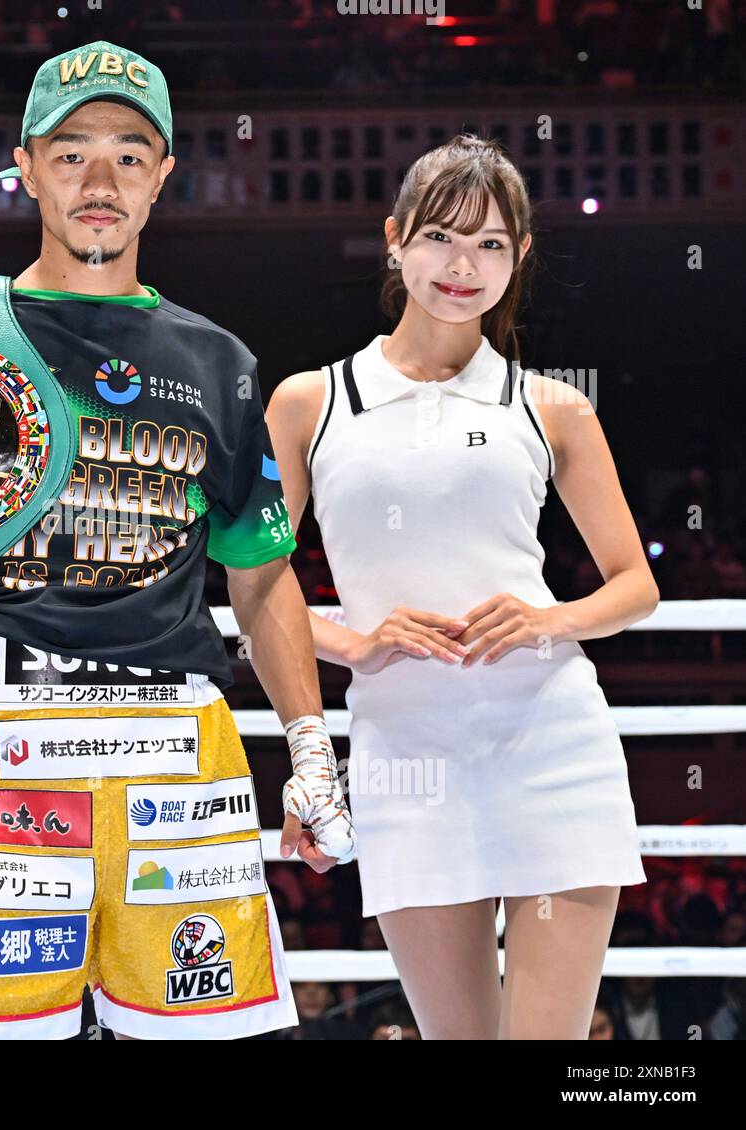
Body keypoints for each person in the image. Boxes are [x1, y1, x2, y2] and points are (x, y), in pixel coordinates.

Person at [0, 40, 356, 1040]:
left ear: (163, 179)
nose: (100, 182)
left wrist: (311, 745)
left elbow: (261, 577)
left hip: (178, 747)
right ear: (24, 166)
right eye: (72, 154)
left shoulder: (219, 361)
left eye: (129, 155)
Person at [267, 134, 657, 1039]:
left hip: (554, 744)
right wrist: (353, 642)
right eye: (442, 236)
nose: (462, 265)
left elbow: (635, 585)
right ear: (396, 238)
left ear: (519, 257)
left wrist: (547, 618)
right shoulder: (309, 402)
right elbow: (255, 586)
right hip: (409, 757)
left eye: (489, 244)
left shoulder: (552, 404)